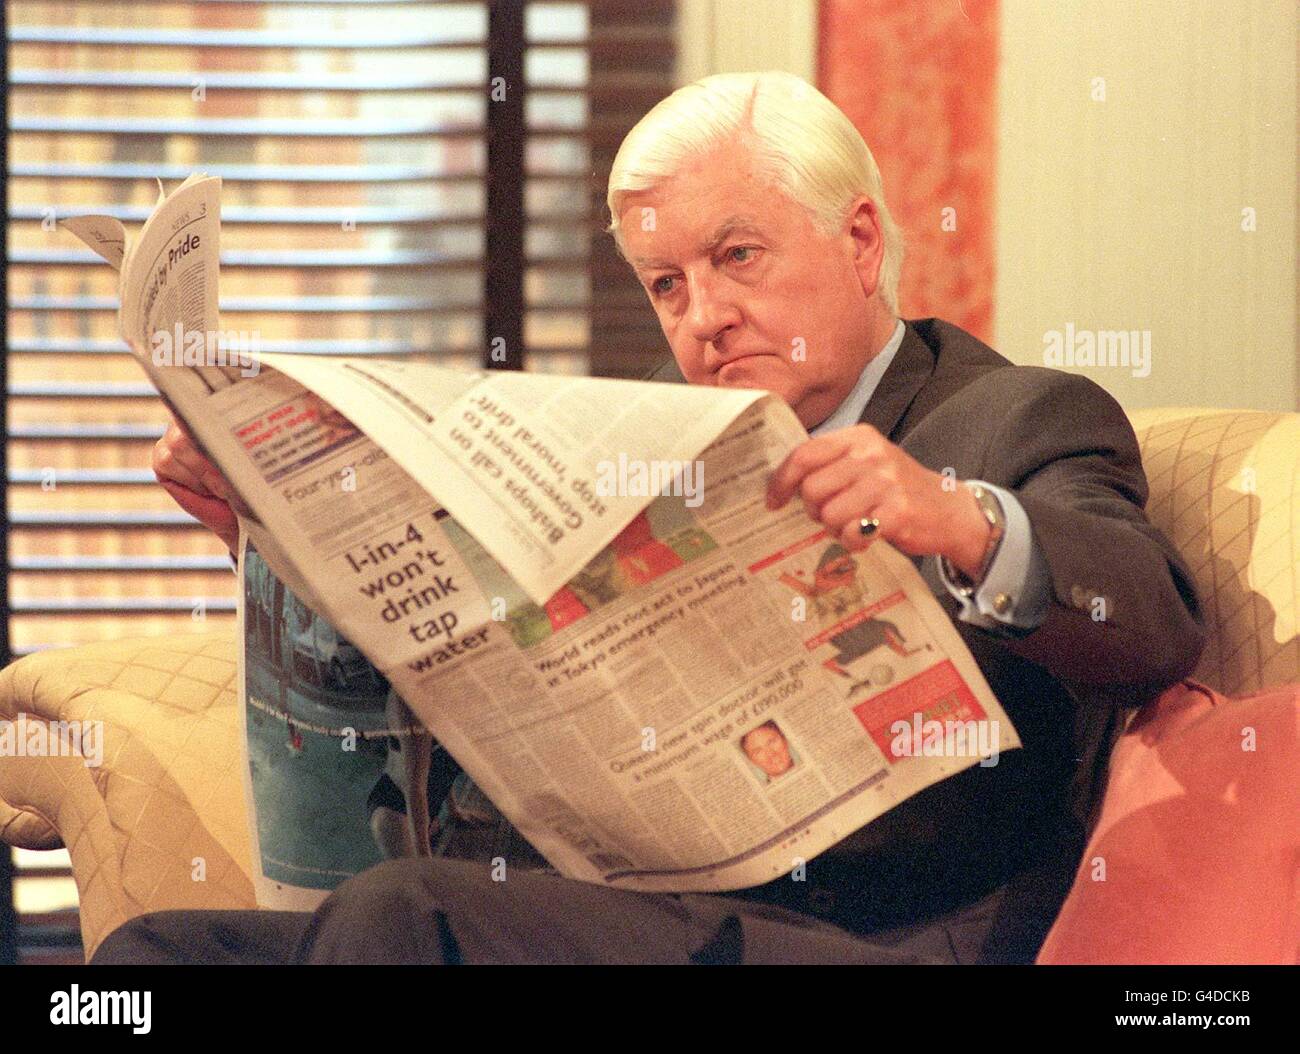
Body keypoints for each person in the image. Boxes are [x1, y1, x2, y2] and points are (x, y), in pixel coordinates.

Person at [118, 71, 1205, 965]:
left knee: (407, 919)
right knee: (154, 958)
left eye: (737, 257)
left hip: (888, 932)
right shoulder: (649, 436)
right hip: (637, 908)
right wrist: (280, 547)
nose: (706, 317)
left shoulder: (1016, 412)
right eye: (666, 284)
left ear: (861, 241)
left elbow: (1153, 618)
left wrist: (962, 520)